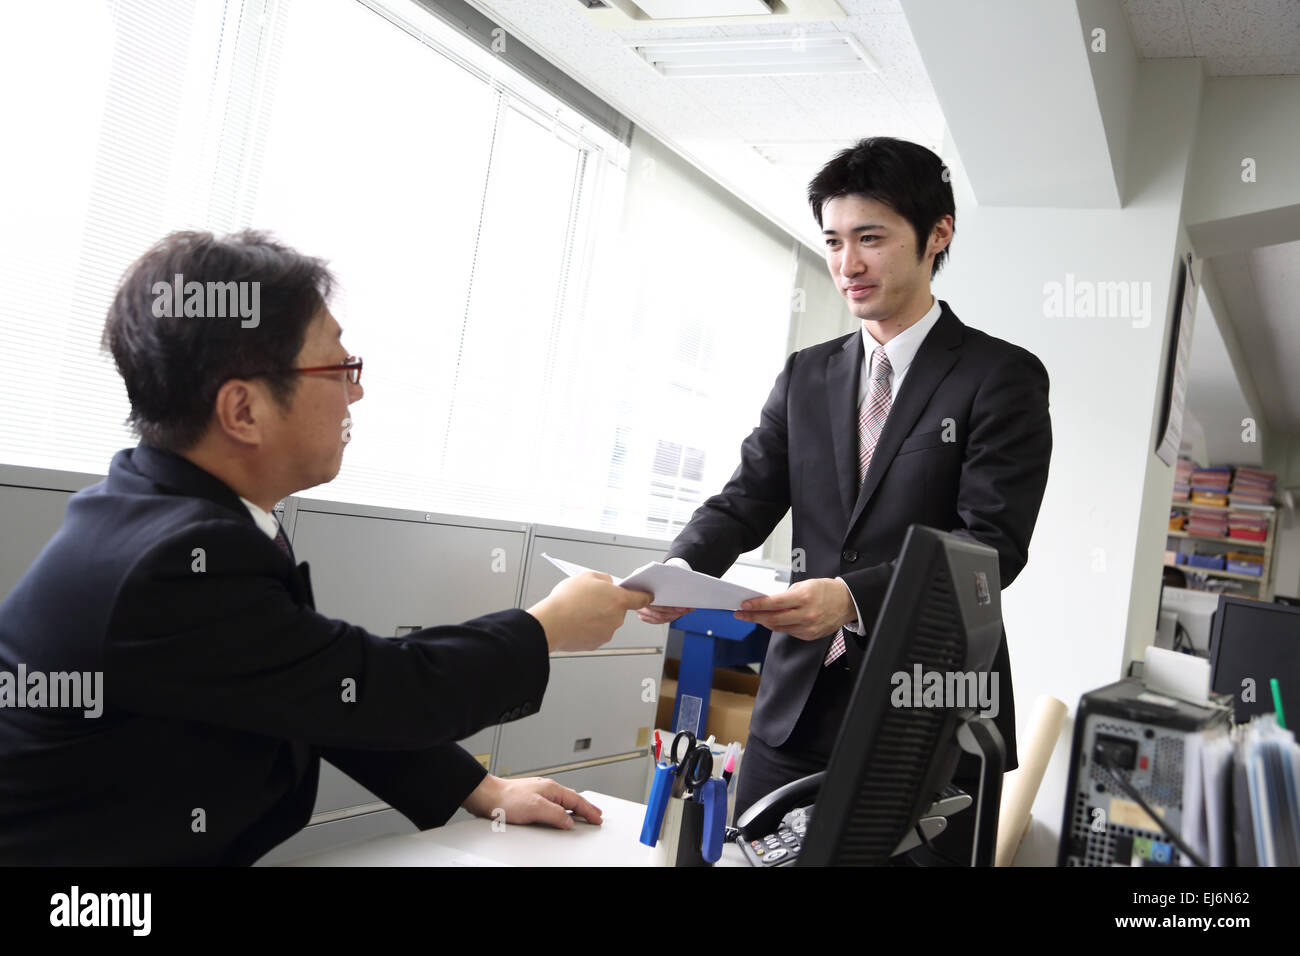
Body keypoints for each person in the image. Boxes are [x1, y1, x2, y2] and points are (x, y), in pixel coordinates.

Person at [0, 230, 651, 865]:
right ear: (243, 411)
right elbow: (376, 688)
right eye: (339, 367)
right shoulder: (175, 563)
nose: (356, 391)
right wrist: (548, 628)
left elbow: (306, 689)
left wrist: (480, 788)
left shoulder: (178, 512)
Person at [640, 137, 1052, 862]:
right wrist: (674, 569)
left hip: (930, 714)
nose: (847, 265)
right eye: (833, 242)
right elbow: (745, 499)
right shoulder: (807, 375)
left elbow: (990, 549)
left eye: (871, 239)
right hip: (794, 711)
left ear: (938, 235)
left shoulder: (1000, 376)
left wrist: (851, 598)